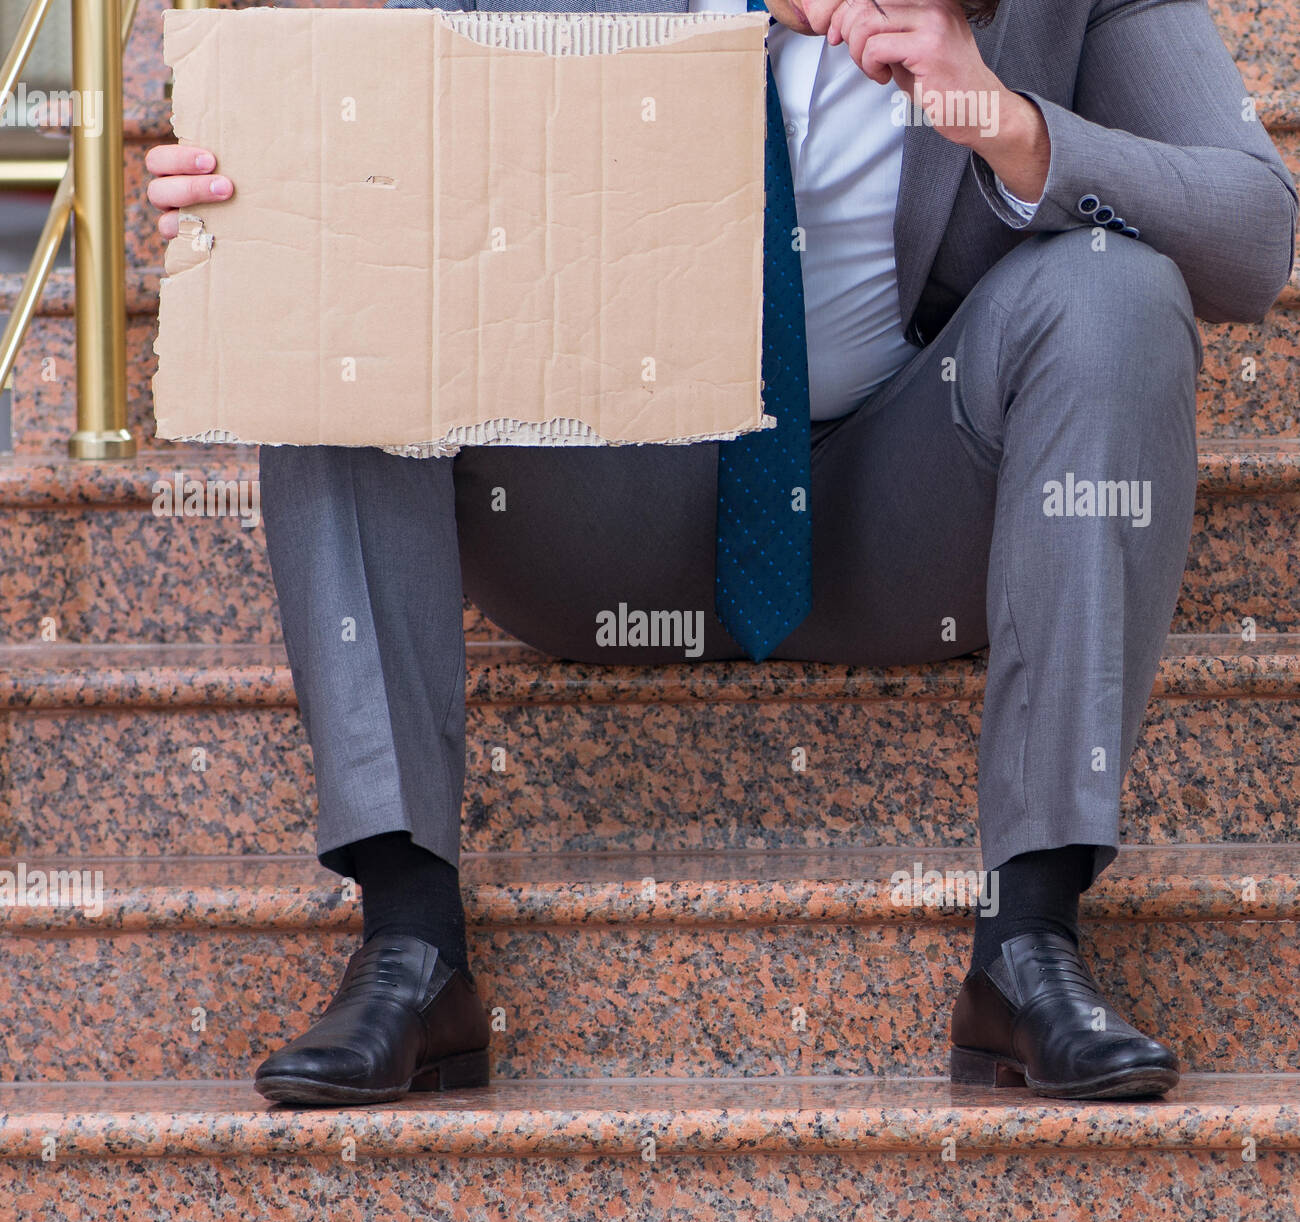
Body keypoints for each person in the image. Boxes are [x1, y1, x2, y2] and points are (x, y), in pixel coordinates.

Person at [145, 0, 1296, 1104]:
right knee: (333, 289)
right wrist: (255, 205)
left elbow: (1253, 234)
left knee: (1120, 291)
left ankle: (1028, 943)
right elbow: (359, 173)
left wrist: (1013, 125)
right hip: (593, 518)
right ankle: (410, 949)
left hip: (897, 519)